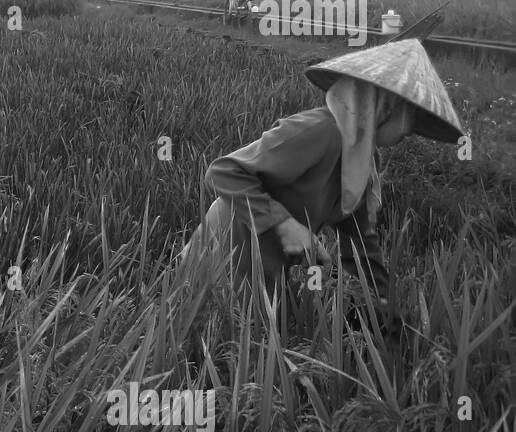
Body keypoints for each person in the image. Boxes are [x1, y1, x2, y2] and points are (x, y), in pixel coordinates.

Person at [182, 37, 464, 318]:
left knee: (268, 341)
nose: (410, 129)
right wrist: (285, 225)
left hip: (270, 266)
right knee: (220, 346)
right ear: (383, 107)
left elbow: (361, 242)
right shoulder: (321, 131)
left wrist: (384, 310)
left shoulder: (363, 162)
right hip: (225, 252)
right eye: (409, 116)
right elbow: (224, 172)